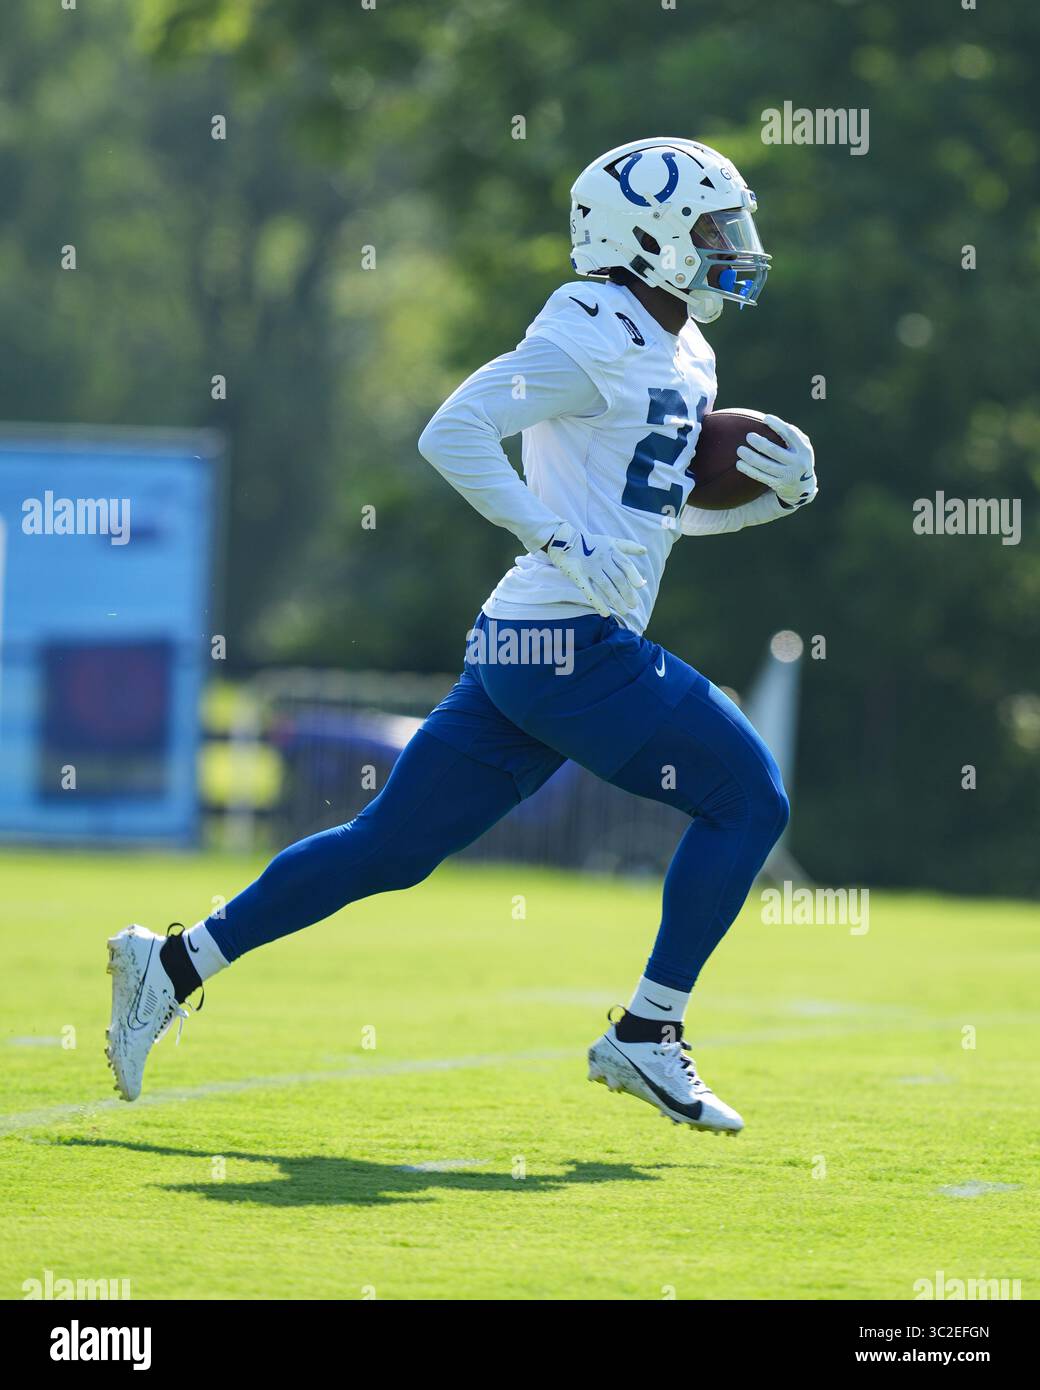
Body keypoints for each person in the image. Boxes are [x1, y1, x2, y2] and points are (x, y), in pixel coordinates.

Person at [106, 137, 817, 1133]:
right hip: (568, 645)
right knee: (747, 795)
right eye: (709, 228)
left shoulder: (686, 350)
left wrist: (747, 509)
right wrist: (545, 529)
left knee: (383, 850)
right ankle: (646, 1034)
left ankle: (169, 962)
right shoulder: (592, 327)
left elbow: (643, 514)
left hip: (535, 645)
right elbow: (452, 431)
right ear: (645, 234)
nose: (728, 246)